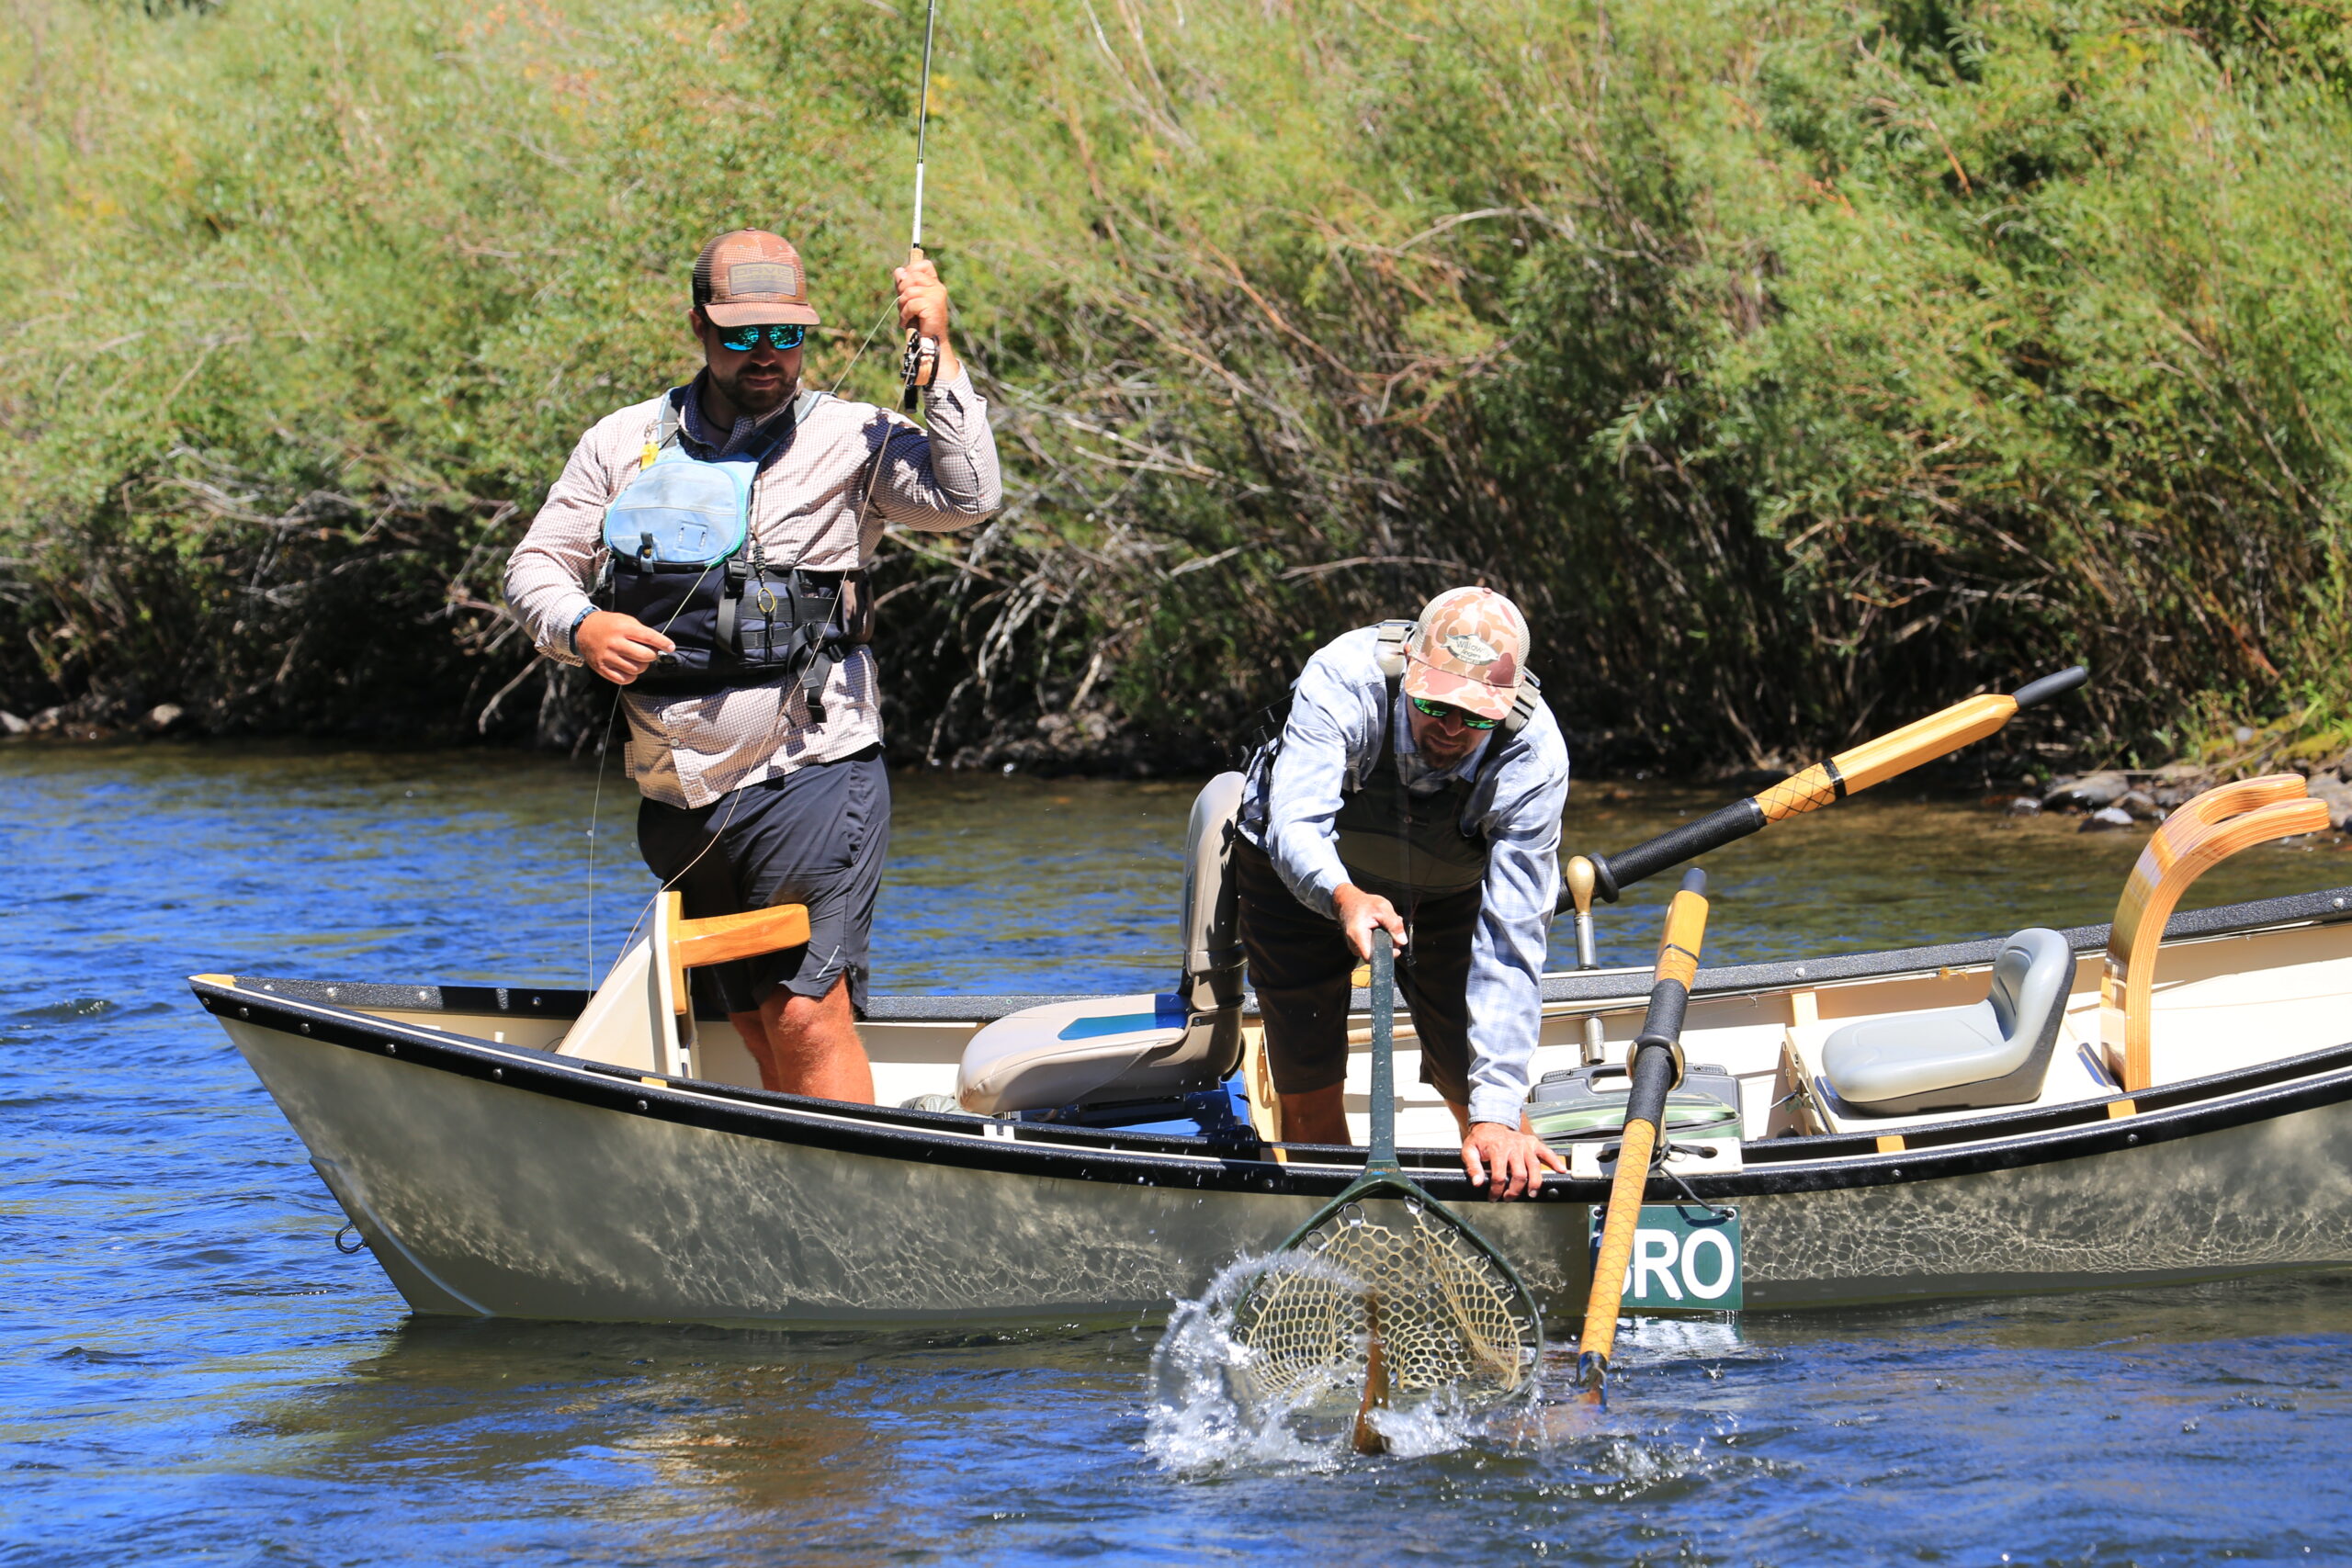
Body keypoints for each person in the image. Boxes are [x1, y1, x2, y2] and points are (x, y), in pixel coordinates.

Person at [505, 229, 1000, 1100]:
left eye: (785, 333)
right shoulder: (622, 442)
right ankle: (797, 1208)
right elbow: (534, 567)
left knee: (807, 1014)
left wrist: (943, 357)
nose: (765, 353)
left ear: (807, 332)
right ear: (698, 326)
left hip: (813, 768)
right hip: (677, 790)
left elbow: (968, 499)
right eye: (740, 335)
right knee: (751, 1021)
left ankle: (855, 1205)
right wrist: (581, 627)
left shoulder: (857, 437)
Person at [1235, 587, 1571, 1199]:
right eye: (1435, 704)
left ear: (1508, 703)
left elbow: (1512, 937)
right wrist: (1344, 895)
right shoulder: (1344, 677)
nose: (1449, 728)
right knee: (1308, 1087)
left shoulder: (1535, 757)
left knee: (1484, 1097)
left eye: (1475, 716)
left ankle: (1505, 1185)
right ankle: (1334, 1238)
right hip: (1299, 875)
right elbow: (1296, 825)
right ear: (1410, 670)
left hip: (1446, 891)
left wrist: (1496, 1110)